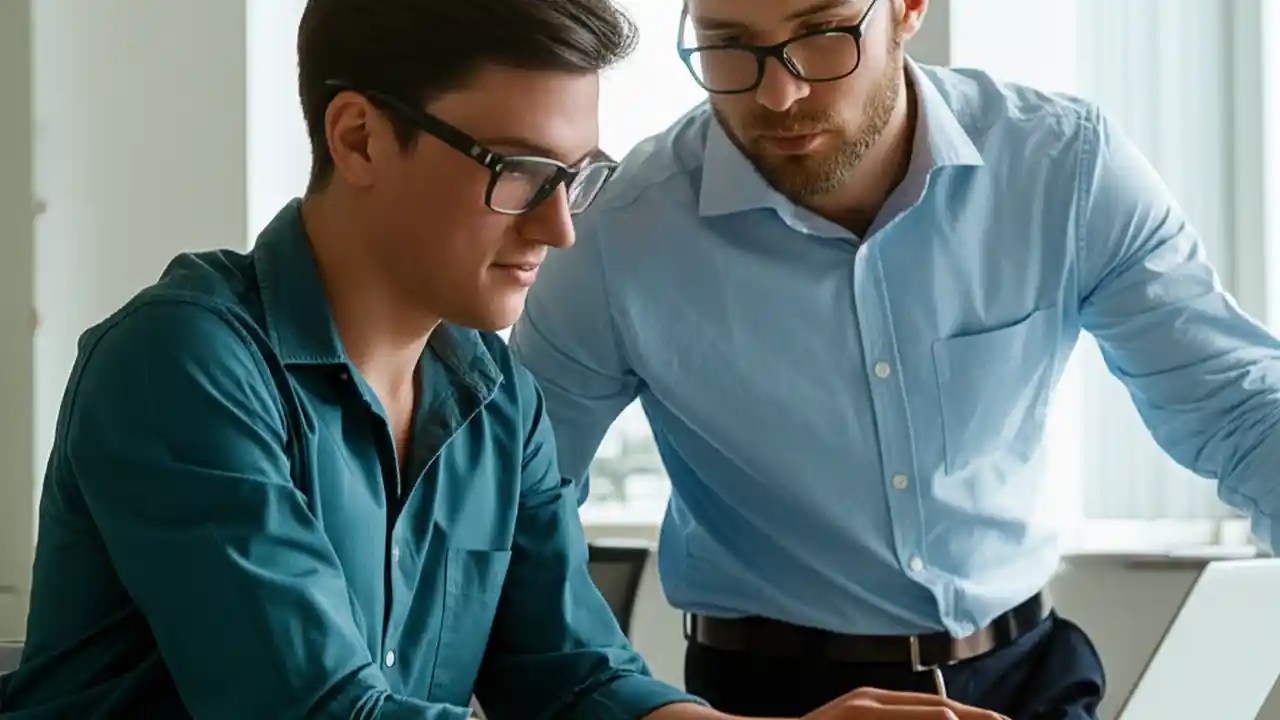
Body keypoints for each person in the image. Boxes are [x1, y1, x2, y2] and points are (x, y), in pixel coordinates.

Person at [3, 1, 1009, 718]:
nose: (560, 229)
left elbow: (570, 674)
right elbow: (321, 709)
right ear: (357, 137)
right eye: (521, 171)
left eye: (578, 177)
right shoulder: (183, 362)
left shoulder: (494, 399)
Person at [510, 0, 1280, 717]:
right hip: (774, 696)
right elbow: (511, 512)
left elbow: (1242, 411)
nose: (779, 94)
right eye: (728, 47)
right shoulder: (615, 233)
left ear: (908, 8)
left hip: (1029, 674)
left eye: (821, 35)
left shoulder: (1063, 168)